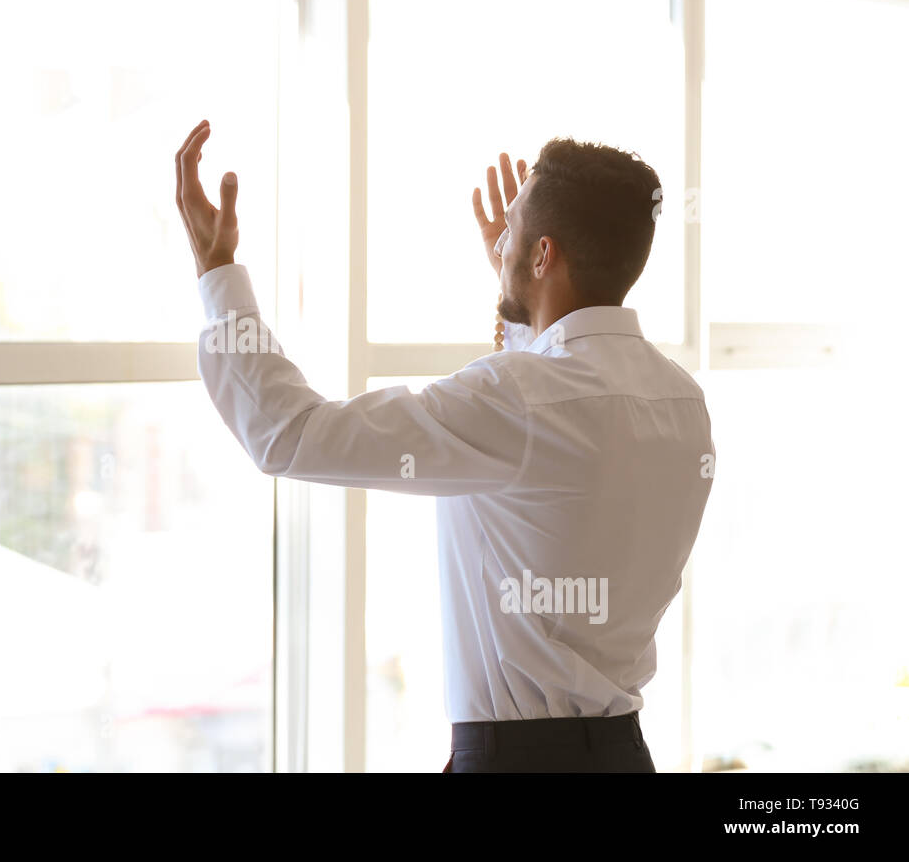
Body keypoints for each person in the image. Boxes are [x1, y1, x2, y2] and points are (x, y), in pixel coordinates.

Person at [174, 119, 714, 772]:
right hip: (624, 754)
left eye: (513, 228)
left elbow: (288, 433)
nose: (501, 238)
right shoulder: (684, 403)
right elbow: (548, 440)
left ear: (543, 255)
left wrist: (218, 272)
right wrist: (525, 293)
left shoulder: (518, 400)